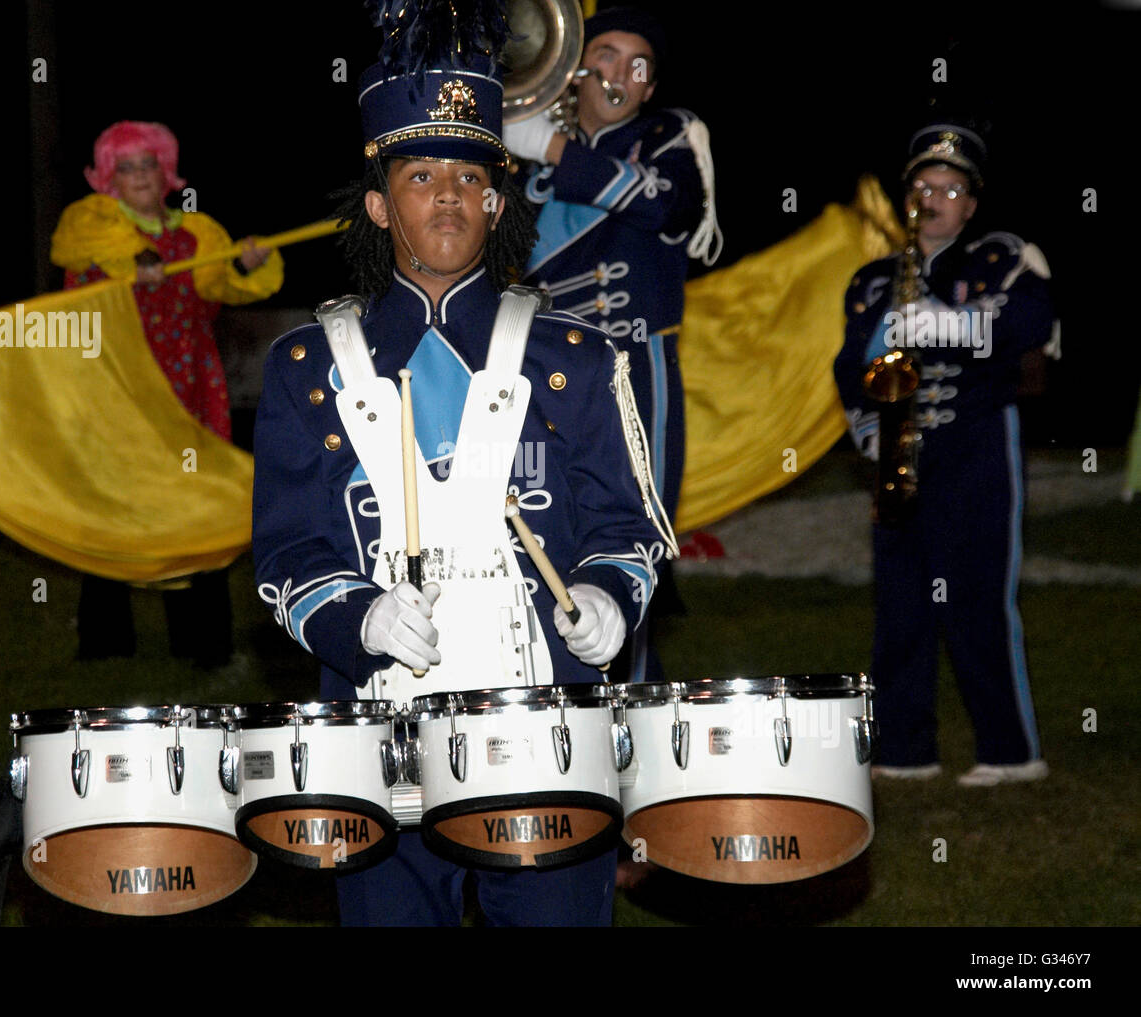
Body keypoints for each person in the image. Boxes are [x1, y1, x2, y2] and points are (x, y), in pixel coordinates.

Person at [250, 25, 666, 925]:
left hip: (549, 742)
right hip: (377, 744)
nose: (449, 199)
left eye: (471, 179)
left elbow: (626, 528)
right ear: (377, 205)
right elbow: (287, 551)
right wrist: (358, 617)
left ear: (497, 202)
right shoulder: (306, 367)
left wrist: (607, 600)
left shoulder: (578, 359)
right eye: (422, 178)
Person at [503, 5, 721, 684]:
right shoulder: (520, 148)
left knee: (631, 538)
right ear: (573, 66)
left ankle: (631, 710)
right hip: (543, 371)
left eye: (638, 65)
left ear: (651, 86)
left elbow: (666, 206)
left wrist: (557, 151)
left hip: (634, 368)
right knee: (544, 529)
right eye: (604, 56)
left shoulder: (669, 134)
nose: (619, 74)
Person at [833, 123, 1053, 786]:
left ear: (971, 203)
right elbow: (850, 368)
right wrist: (872, 433)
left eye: (949, 189)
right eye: (922, 187)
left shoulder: (1003, 255)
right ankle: (904, 749)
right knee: (900, 603)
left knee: (977, 599)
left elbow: (1031, 322)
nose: (934, 198)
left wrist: (951, 324)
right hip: (900, 451)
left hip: (976, 446)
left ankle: (1011, 752)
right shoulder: (873, 280)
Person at [51, 120, 281, 665]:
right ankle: (106, 646)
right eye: (124, 167)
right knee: (115, 507)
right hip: (123, 390)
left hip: (190, 389)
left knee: (194, 507)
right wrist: (126, 272)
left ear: (165, 172)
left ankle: (204, 645)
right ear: (107, 177)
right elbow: (77, 293)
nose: (137, 177)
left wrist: (244, 265)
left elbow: (219, 290)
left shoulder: (199, 235)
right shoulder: (91, 229)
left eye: (146, 164)